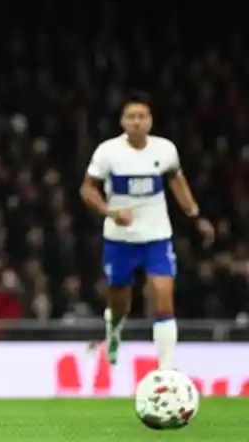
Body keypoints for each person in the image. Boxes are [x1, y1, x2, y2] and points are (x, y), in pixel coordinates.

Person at [80, 91, 214, 369]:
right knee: (120, 301)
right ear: (122, 122)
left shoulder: (165, 150)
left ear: (150, 120)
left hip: (156, 236)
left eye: (142, 116)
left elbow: (176, 180)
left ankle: (166, 368)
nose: (137, 121)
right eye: (131, 117)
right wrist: (111, 212)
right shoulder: (108, 152)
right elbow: (87, 189)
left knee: (163, 298)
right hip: (120, 238)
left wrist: (195, 215)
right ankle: (114, 329)